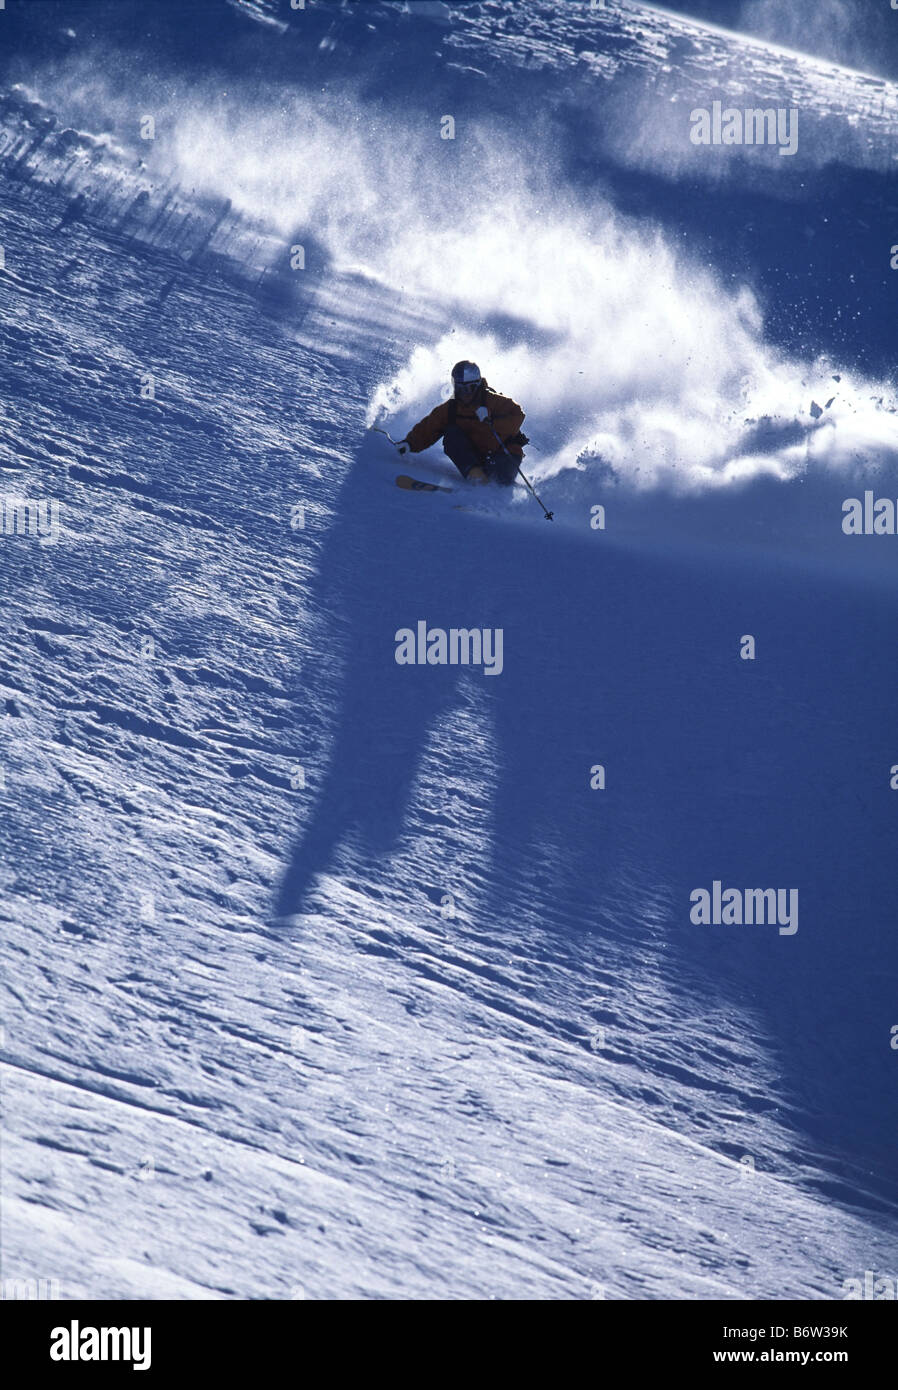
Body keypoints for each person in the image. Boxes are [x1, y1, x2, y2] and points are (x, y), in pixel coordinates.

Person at [397, 361, 527, 485]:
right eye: (460, 388)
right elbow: (431, 425)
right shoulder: (452, 408)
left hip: (502, 453)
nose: (464, 394)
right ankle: (476, 477)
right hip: (476, 458)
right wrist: (410, 443)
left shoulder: (492, 400)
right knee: (451, 435)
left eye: (469, 388)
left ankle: (499, 485)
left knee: (501, 478)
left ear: (477, 385)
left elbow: (518, 414)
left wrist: (492, 422)